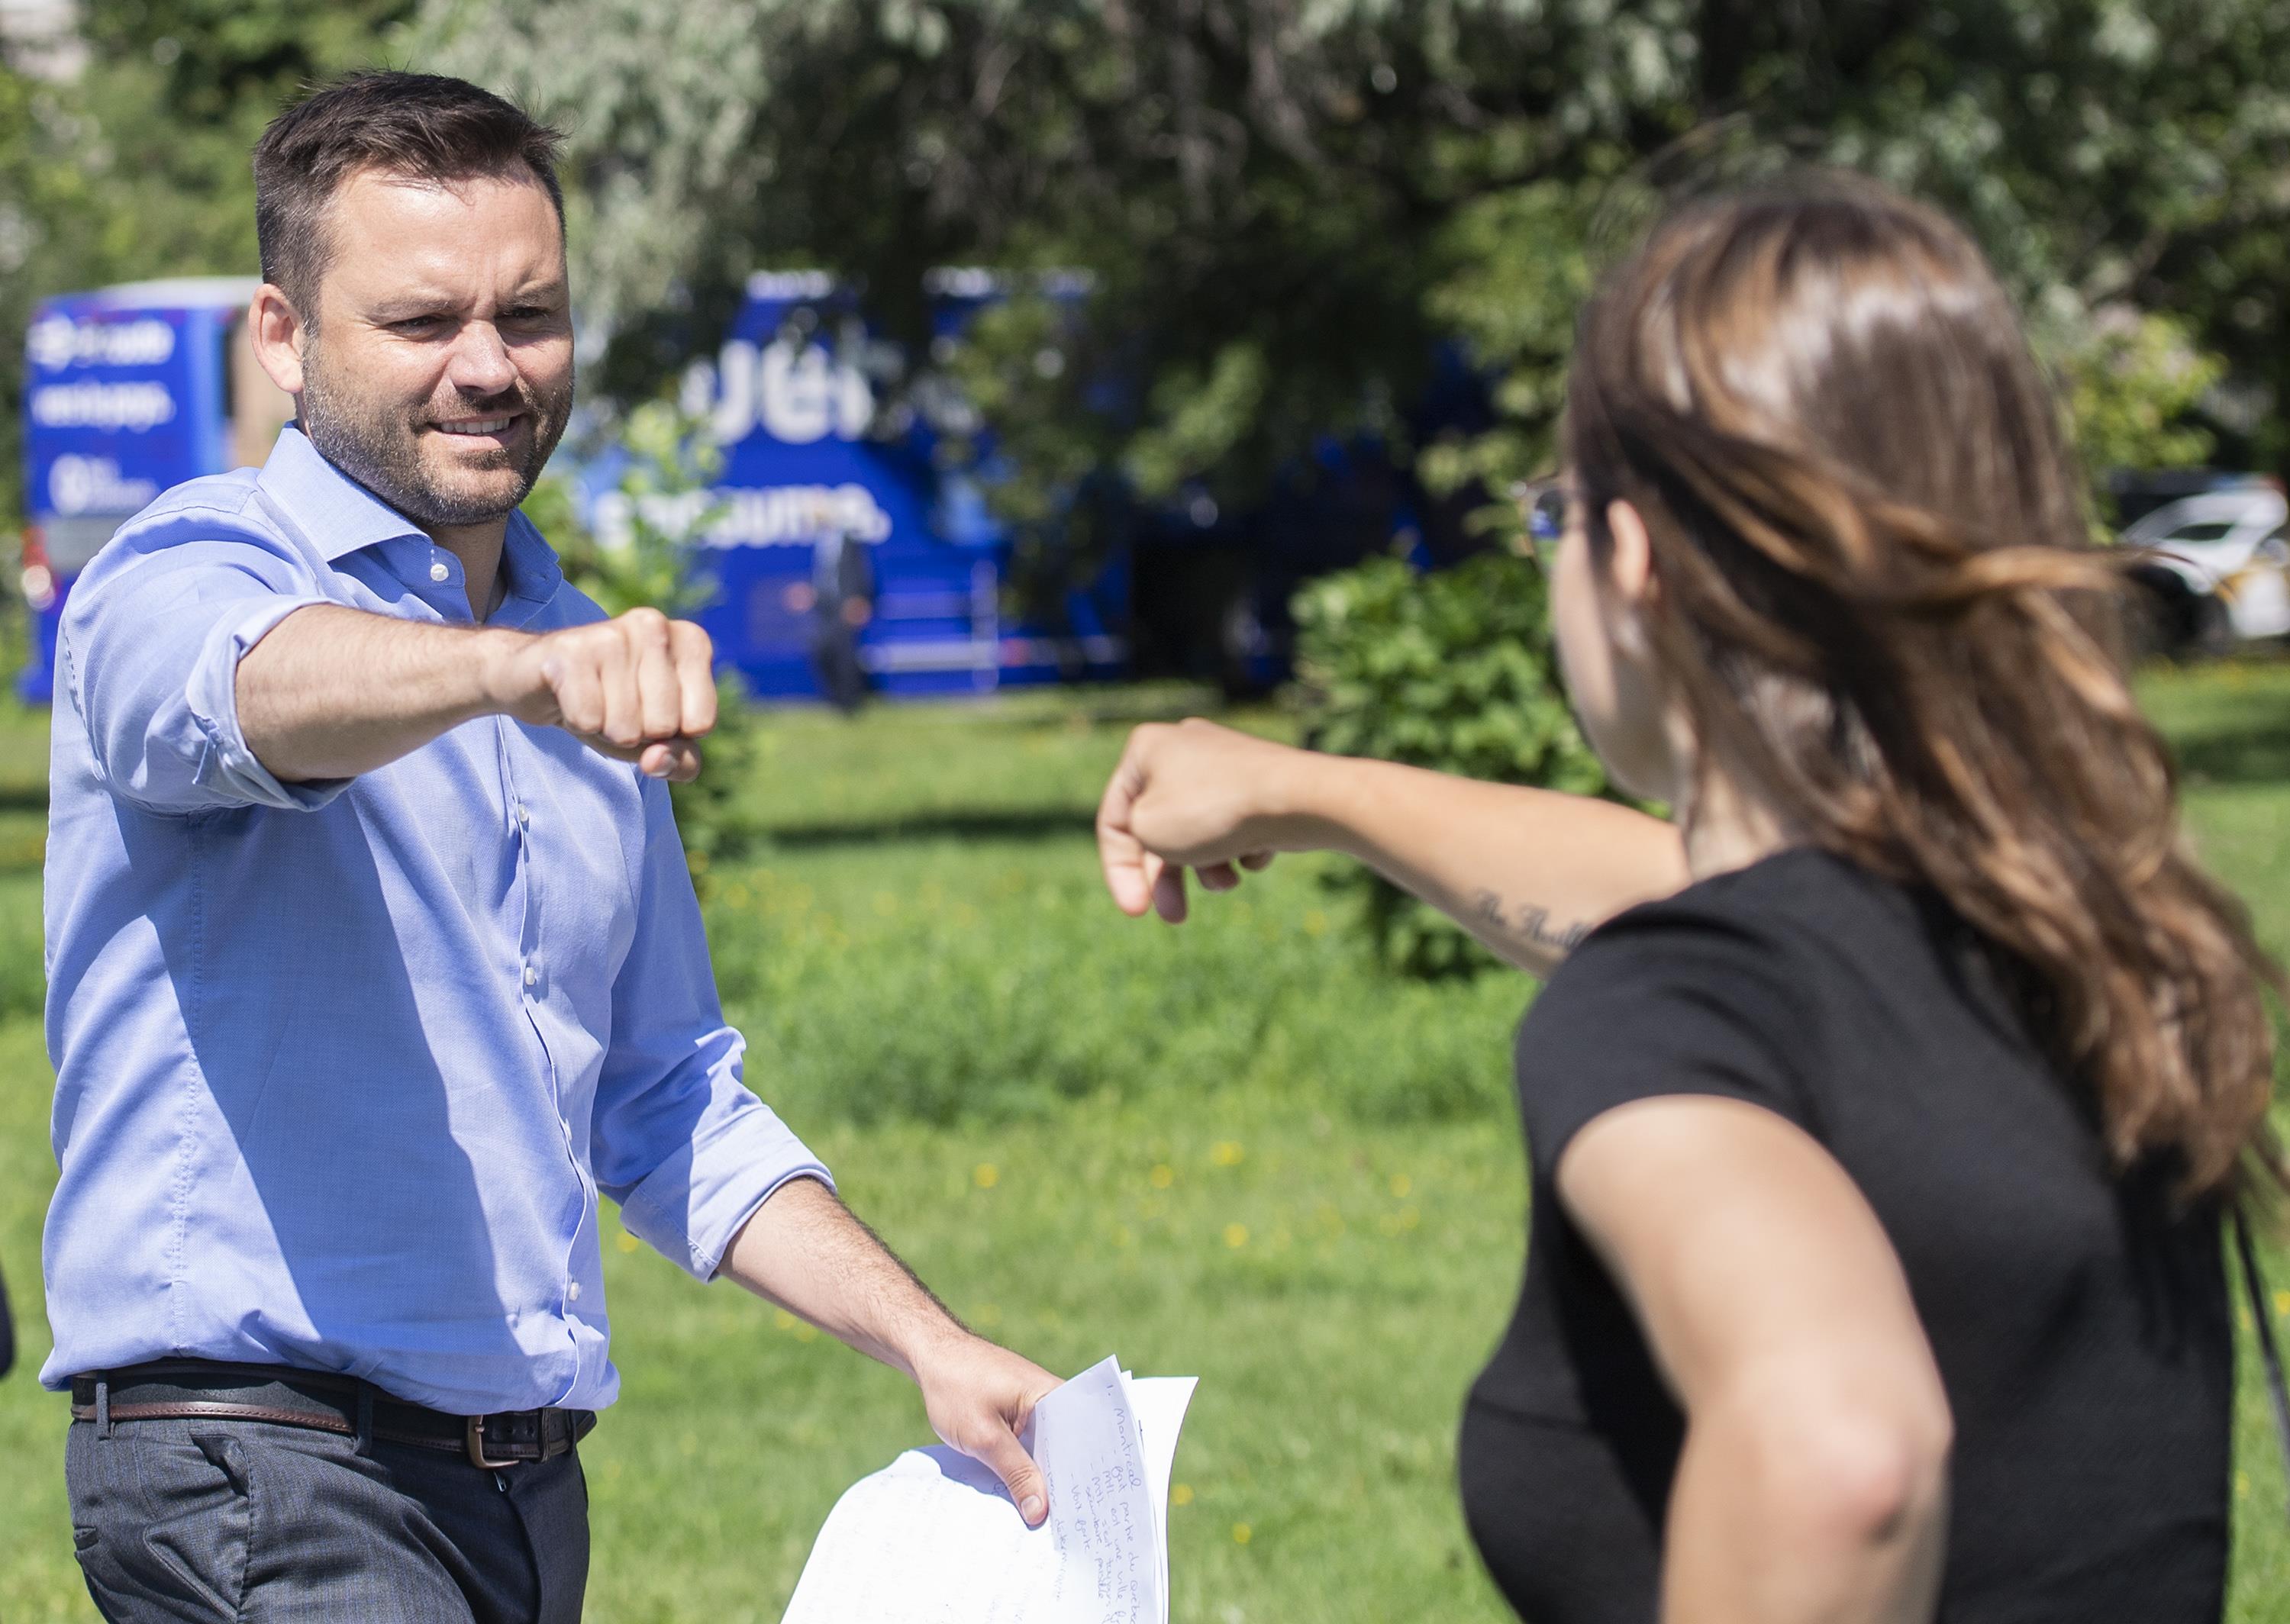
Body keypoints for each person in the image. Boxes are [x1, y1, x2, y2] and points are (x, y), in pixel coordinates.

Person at [1095, 175, 2285, 1622]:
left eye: (1557, 517)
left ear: (1636, 559)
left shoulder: (1669, 1017)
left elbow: (1838, 1450)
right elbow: (1718, 912)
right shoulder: (2085, 943)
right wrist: (1319, 795)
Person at [44, 72, 1055, 1623]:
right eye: (422, 319)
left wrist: (928, 1338)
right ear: (283, 335)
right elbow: (251, 695)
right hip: (261, 1456)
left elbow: (668, 1097)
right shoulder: (180, 572)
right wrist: (499, 676)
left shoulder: (571, 643)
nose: (489, 366)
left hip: (516, 1486)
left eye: (530, 313)